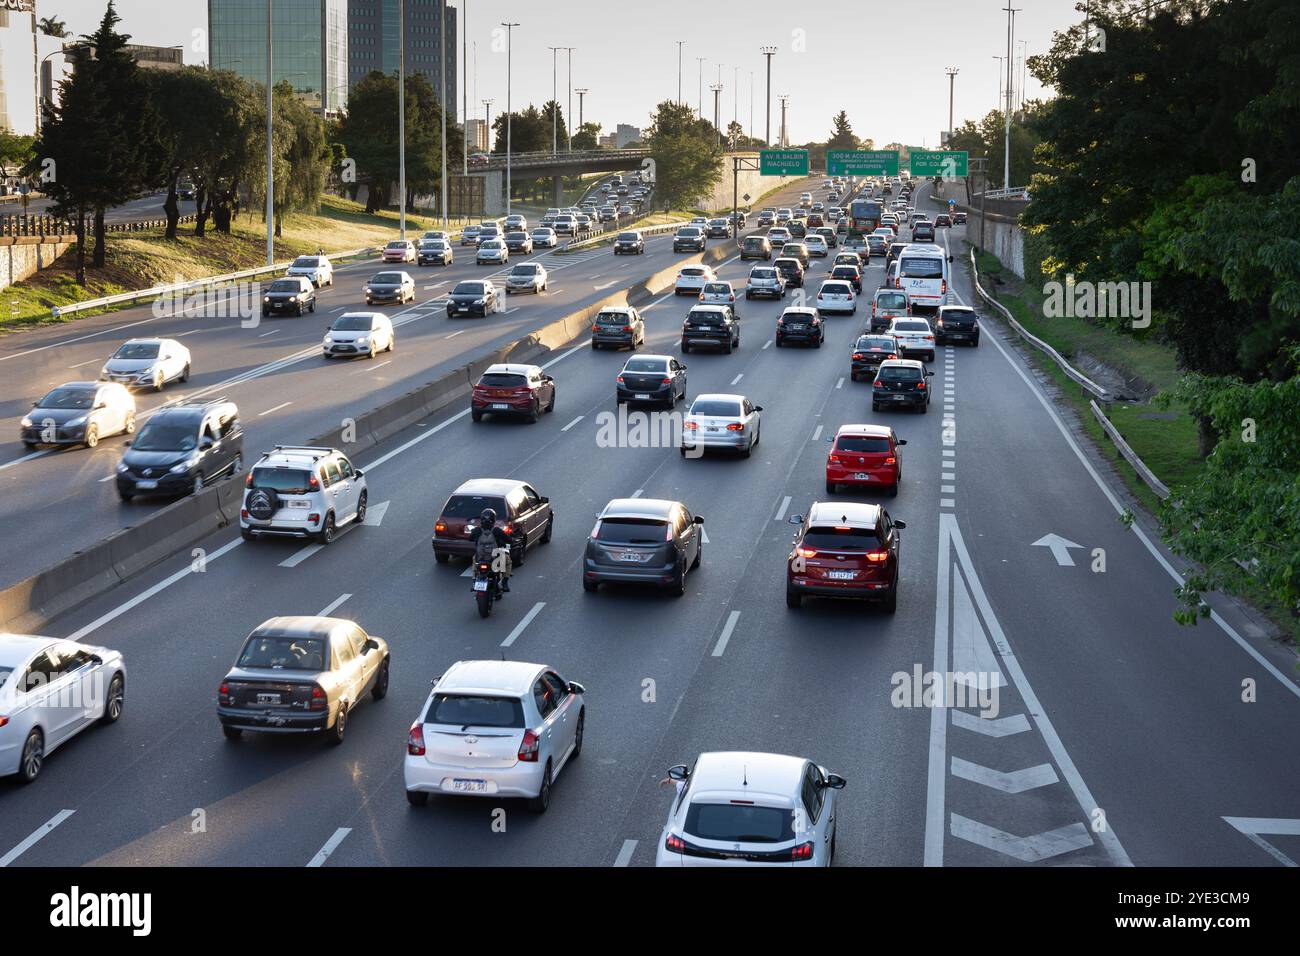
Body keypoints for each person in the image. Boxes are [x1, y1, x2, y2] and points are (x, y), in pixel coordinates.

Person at [470, 508, 512, 592]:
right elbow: (509, 540)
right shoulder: (497, 530)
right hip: (494, 559)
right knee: (507, 561)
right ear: (493, 519)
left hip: (481, 558)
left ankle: (474, 580)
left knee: (474, 560)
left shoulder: (477, 530)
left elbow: (470, 538)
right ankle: (504, 582)